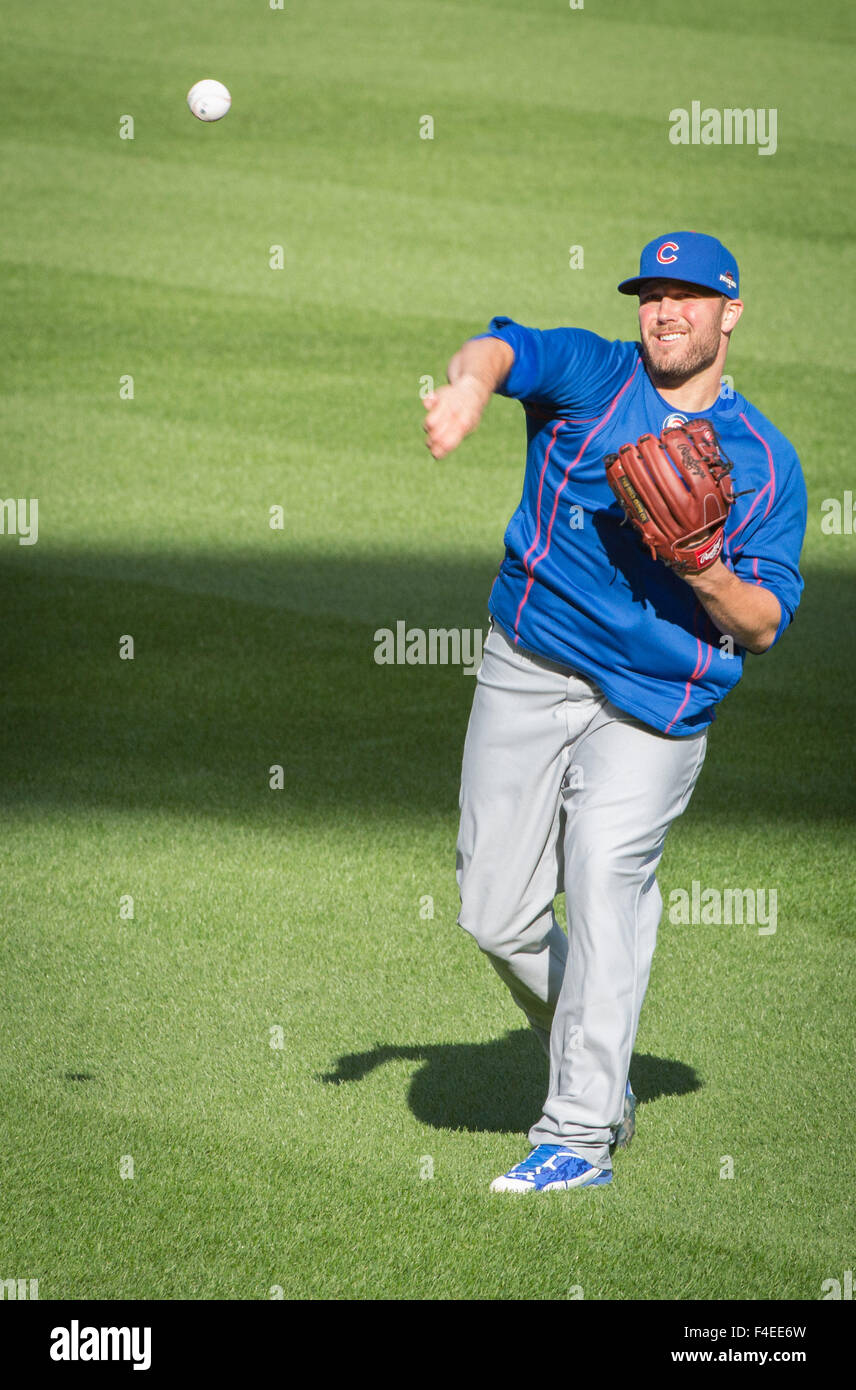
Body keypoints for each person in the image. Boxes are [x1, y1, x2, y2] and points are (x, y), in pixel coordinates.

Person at [422, 232, 807, 1193]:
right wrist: (470, 387)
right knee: (494, 916)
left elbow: (761, 624)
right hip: (529, 664)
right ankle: (604, 1065)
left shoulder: (762, 462)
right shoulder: (596, 377)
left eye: (690, 296)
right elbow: (506, 348)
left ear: (731, 312)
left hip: (653, 706)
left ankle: (579, 1134)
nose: (667, 312)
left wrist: (697, 564)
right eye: (652, 296)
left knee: (603, 887)